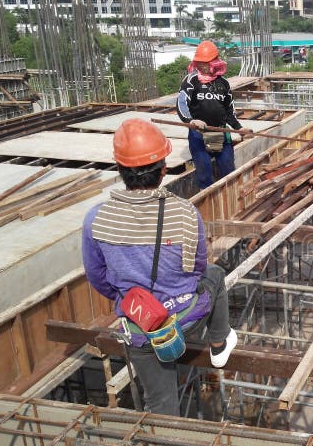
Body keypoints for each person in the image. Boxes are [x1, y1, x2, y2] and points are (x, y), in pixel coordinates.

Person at [82, 118, 237, 415]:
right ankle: (219, 342)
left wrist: (131, 298)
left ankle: (165, 440)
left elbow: (97, 276)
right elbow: (197, 267)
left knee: (161, 405)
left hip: (140, 328)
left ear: (120, 168)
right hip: (185, 320)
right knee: (215, 274)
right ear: (163, 169)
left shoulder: (96, 219)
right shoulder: (184, 212)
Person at [177, 40, 249, 189]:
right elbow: (181, 104)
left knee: (228, 169)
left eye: (206, 63)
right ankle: (207, 198)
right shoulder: (191, 81)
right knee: (204, 171)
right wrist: (191, 121)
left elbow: (229, 110)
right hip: (198, 133)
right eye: (200, 63)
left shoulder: (223, 83)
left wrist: (239, 128)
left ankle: (230, 195)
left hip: (221, 131)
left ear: (215, 62)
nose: (202, 66)